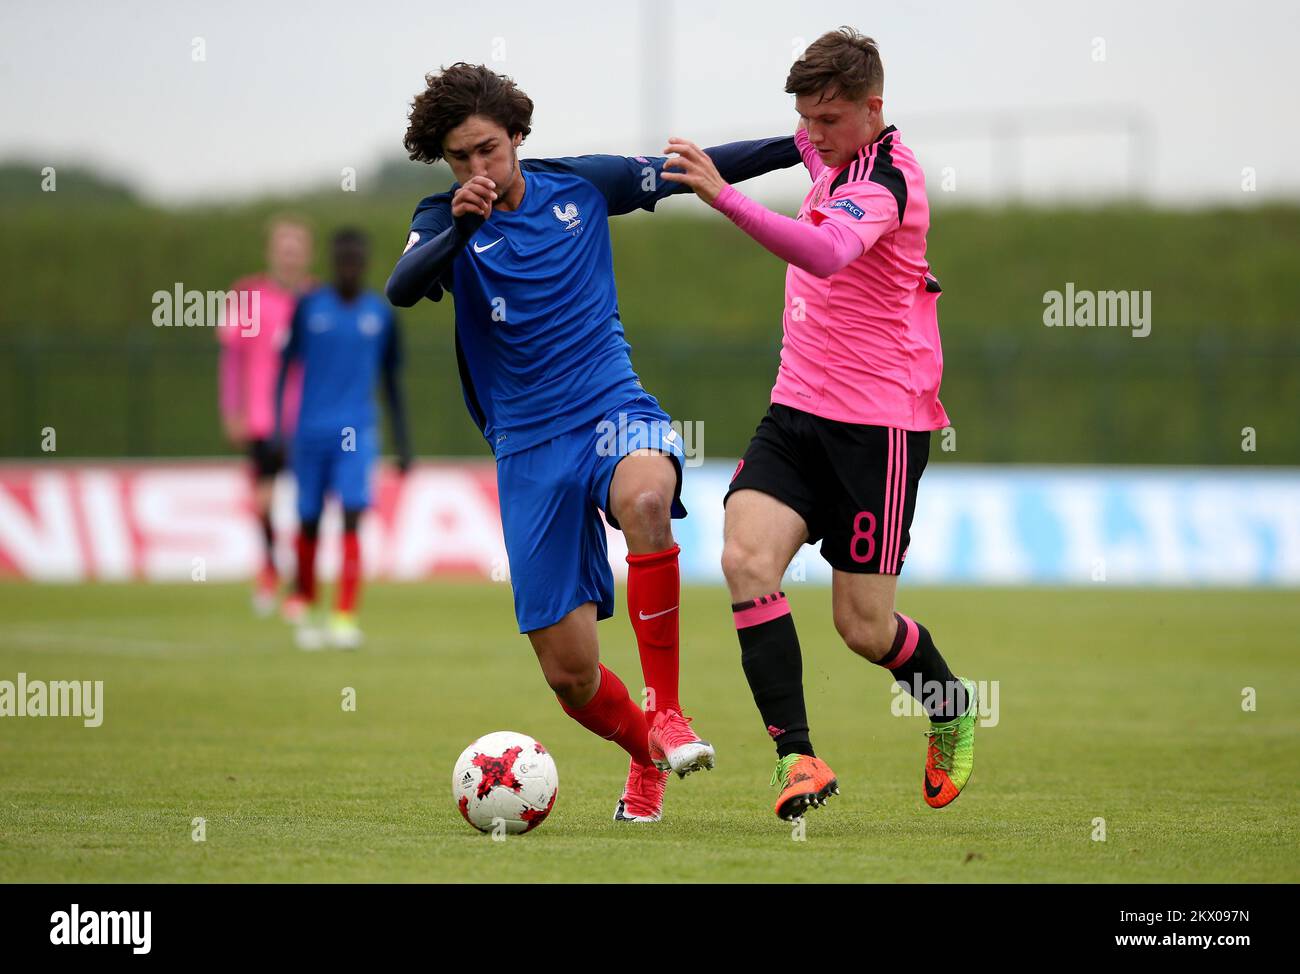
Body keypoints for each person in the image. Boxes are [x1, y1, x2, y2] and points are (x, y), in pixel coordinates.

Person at [386, 62, 803, 822]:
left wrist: (805, 144)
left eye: (487, 149)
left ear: (515, 135)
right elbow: (404, 286)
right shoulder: (442, 220)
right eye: (459, 158)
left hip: (611, 407)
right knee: (571, 676)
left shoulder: (580, 186)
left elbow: (690, 168)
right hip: (527, 445)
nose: (477, 168)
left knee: (647, 496)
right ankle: (646, 753)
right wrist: (460, 224)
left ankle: (669, 711)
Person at [661, 27, 978, 820]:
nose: (816, 135)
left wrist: (719, 197)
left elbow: (827, 253)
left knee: (863, 628)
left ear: (875, 109)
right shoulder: (827, 146)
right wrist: (661, 176)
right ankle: (796, 758)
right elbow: (776, 147)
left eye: (829, 121)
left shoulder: (887, 184)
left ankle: (949, 705)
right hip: (796, 412)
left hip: (879, 433)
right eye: (808, 118)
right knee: (744, 558)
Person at [276, 228, 411, 650]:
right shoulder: (308, 307)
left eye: (356, 260)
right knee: (310, 522)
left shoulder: (381, 314)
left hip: (358, 434)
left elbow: (391, 382)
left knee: (353, 514)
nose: (349, 267)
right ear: (334, 263)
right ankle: (307, 605)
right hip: (310, 434)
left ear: (364, 263)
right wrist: (281, 430)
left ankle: (344, 616)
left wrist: (404, 443)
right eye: (343, 260)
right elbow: (285, 370)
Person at [218, 216, 312, 615]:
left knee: (309, 505)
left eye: (296, 248)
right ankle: (271, 569)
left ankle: (300, 586)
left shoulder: (317, 299)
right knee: (264, 501)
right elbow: (232, 359)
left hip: (308, 418)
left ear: (307, 254)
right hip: (262, 417)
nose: (290, 256)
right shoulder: (247, 295)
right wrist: (231, 410)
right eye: (283, 248)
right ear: (272, 251)